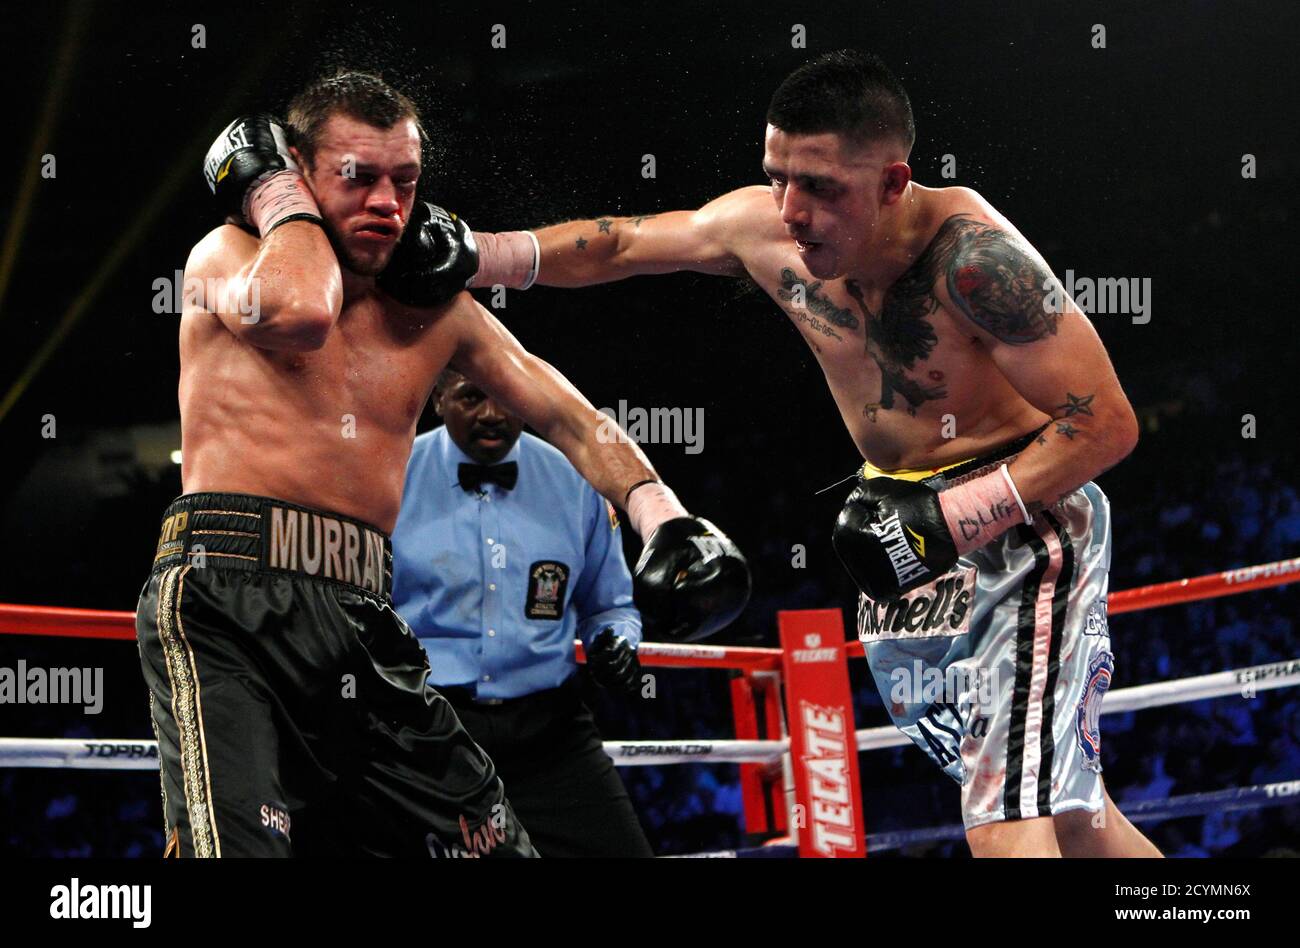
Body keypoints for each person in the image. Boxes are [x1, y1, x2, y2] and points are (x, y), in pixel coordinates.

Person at [469, 51, 1159, 857]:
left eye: (822, 188)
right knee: (1073, 815)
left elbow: (1106, 425)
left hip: (1021, 527)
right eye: (777, 178)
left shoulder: (975, 263)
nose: (792, 210)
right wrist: (481, 254)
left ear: (894, 183)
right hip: (896, 534)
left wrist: (951, 517)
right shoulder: (765, 230)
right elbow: (621, 244)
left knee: (1004, 813)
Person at [135, 70, 748, 858]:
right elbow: (302, 311)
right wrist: (273, 195)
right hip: (226, 596)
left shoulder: (434, 311)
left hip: (361, 614)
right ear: (296, 169)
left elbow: (567, 416)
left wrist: (660, 513)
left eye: (405, 180)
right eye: (357, 177)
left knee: (494, 846)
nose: (387, 203)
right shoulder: (228, 254)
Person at [392, 368, 654, 857]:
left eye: (506, 398)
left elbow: (610, 606)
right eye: (472, 398)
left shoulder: (576, 479)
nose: (492, 414)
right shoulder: (391, 475)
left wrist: (615, 641)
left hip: (550, 734)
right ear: (438, 399)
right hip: (429, 733)